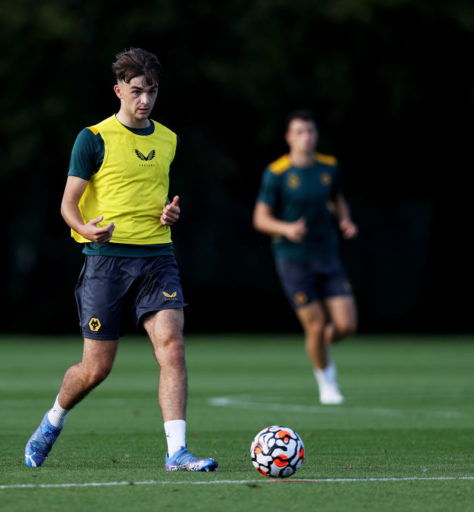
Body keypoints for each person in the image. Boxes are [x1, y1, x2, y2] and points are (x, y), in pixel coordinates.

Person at [23, 48, 217, 471]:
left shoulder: (168, 140)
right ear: (118, 91)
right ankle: (51, 422)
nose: (144, 100)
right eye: (135, 92)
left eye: (150, 91)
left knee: (172, 348)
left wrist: (169, 213)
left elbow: (154, 199)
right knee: (96, 369)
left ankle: (176, 451)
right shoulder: (92, 138)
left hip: (157, 258)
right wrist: (85, 228)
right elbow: (68, 204)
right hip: (106, 262)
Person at [253, 109, 357, 405]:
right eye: (299, 132)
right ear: (289, 137)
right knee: (314, 323)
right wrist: (286, 228)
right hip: (293, 258)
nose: (306, 137)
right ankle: (327, 383)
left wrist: (345, 220)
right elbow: (260, 218)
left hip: (327, 255)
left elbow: (337, 200)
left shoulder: (329, 167)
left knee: (346, 325)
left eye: (310, 131)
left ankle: (319, 345)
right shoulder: (277, 173)